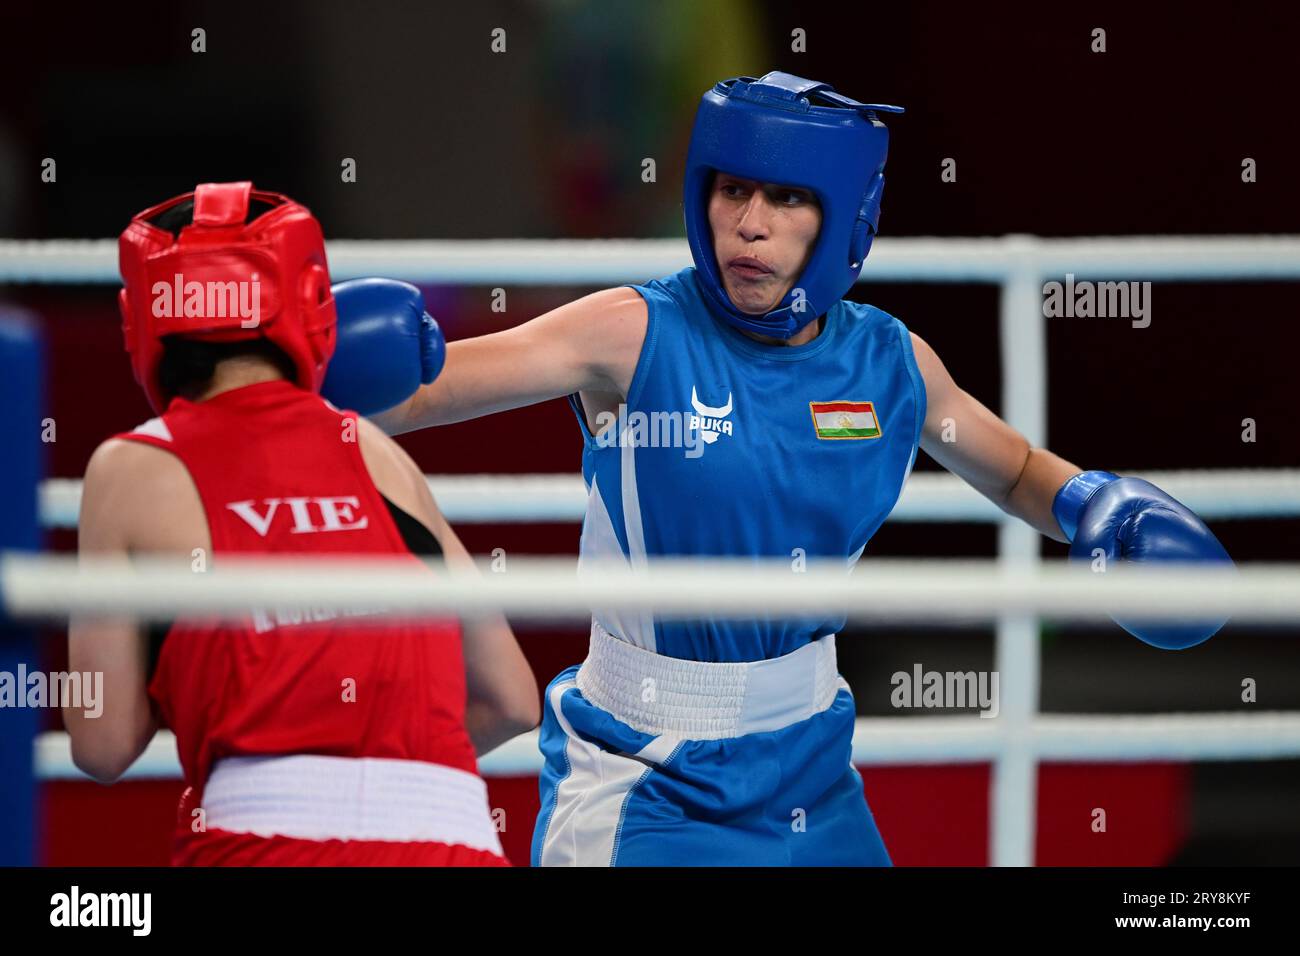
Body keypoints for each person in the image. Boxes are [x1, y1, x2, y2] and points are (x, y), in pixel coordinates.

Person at [323, 73, 1233, 865]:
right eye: (731, 191)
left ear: (846, 219)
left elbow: (1015, 469)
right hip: (647, 768)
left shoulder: (890, 363)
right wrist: (304, 352)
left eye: (786, 199)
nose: (749, 226)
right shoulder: (631, 333)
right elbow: (429, 392)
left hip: (812, 763)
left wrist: (1095, 507)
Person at [64, 182, 539, 866]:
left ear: (142, 318)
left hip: (259, 843)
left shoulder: (129, 467)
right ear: (310, 299)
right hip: (456, 839)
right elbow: (512, 700)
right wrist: (390, 775)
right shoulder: (377, 453)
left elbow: (102, 746)